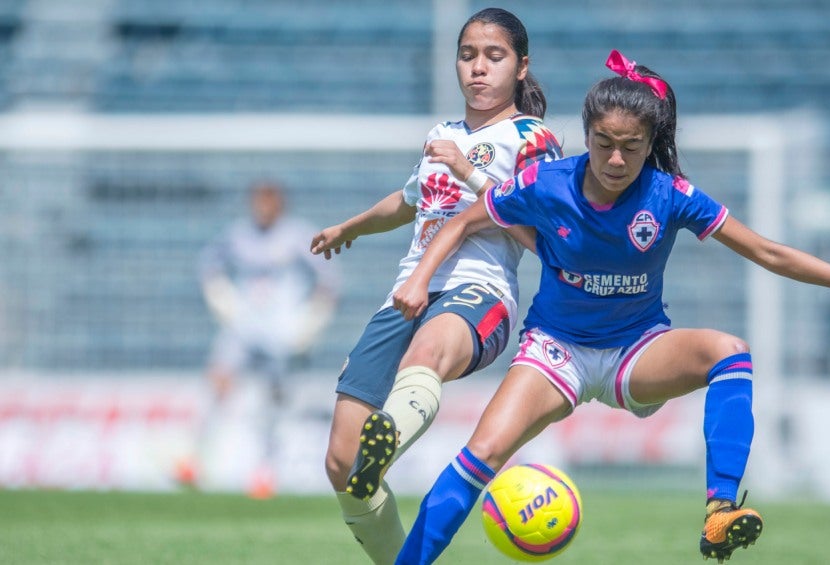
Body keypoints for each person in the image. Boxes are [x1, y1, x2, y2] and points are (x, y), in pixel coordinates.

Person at [389, 49, 830, 564]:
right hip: (554, 352)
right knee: (480, 456)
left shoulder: (671, 194)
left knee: (731, 353)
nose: (616, 160)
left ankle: (720, 510)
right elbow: (462, 221)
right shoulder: (546, 183)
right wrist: (420, 279)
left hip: (636, 350)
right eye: (604, 144)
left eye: (632, 147)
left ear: (651, 144)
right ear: (587, 135)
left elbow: (767, 251)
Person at [309, 8, 563, 565]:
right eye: (468, 55)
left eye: (494, 57)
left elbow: (545, 237)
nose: (478, 69)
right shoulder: (441, 135)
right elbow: (407, 201)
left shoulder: (532, 138)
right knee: (341, 463)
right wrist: (349, 227)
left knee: (425, 355)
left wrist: (472, 174)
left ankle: (389, 439)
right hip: (406, 294)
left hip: (480, 293)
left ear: (522, 67)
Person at [180, 181, 339, 498]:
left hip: (281, 332)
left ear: (280, 204)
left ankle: (266, 470)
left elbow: (329, 279)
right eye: (257, 202)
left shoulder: (297, 236)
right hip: (243, 326)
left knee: (273, 400)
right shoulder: (239, 235)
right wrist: (220, 297)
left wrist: (312, 321)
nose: (262, 209)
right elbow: (208, 265)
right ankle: (194, 461)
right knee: (219, 383)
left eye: (268, 202)